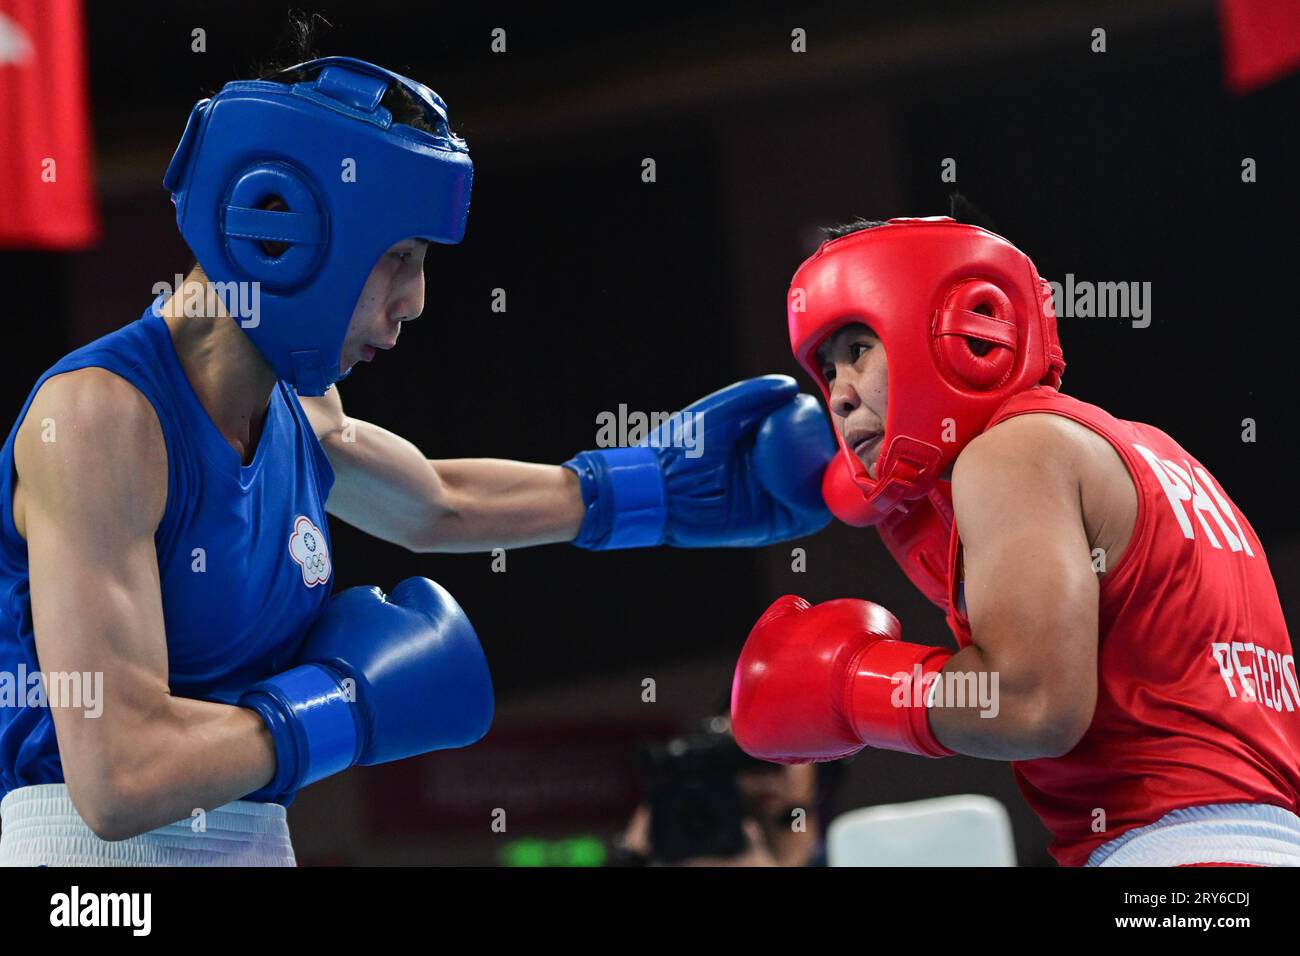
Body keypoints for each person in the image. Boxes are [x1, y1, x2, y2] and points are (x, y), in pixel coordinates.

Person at [0, 48, 832, 865]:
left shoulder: (303, 413)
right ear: (277, 225)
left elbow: (436, 503)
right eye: (399, 257)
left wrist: (650, 491)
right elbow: (119, 778)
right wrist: (340, 708)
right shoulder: (98, 421)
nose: (415, 301)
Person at [731, 215, 1300, 867]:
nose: (839, 395)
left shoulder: (1011, 451)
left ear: (958, 330)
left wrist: (852, 687)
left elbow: (1033, 703)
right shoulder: (1157, 455)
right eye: (826, 372)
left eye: (858, 348)